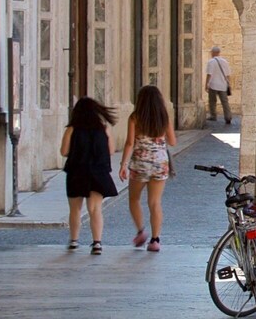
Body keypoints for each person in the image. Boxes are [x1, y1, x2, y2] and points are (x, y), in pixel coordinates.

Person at [62, 97, 120, 255]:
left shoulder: (72, 129)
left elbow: (64, 151)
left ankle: (74, 240)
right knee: (95, 209)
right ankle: (97, 243)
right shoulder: (104, 129)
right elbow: (112, 150)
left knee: (75, 209)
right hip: (98, 172)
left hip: (76, 172)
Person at [123, 85, 178, 252]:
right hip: (160, 164)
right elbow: (173, 141)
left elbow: (130, 143)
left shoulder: (135, 118)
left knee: (134, 199)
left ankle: (141, 231)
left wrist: (123, 164)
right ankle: (155, 240)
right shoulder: (163, 117)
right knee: (155, 202)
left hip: (140, 163)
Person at [205, 46, 233, 124]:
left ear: (213, 53)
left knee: (212, 101)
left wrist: (206, 84)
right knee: (225, 102)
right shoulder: (225, 61)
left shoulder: (211, 62)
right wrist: (229, 83)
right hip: (223, 85)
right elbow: (227, 74)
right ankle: (228, 117)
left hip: (213, 84)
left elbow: (209, 74)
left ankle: (213, 116)